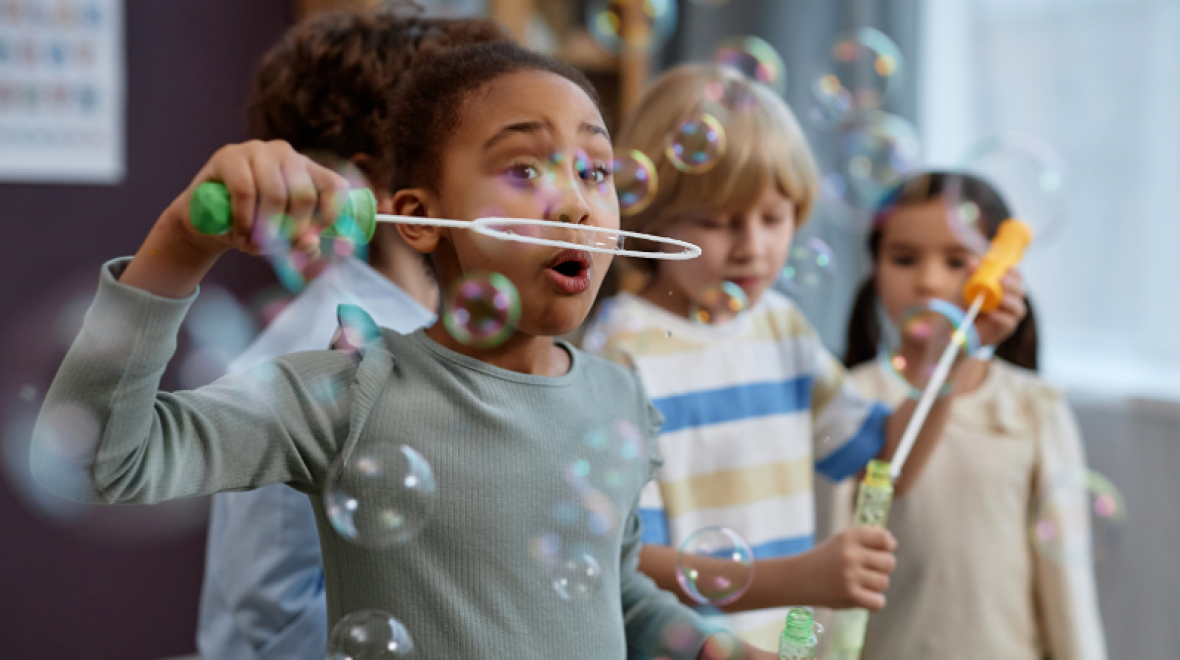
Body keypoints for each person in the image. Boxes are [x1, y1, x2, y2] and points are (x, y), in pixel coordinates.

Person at [30, 42, 778, 659]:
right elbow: (100, 463)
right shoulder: (353, 391)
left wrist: (711, 646)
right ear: (418, 219)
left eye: (595, 171)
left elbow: (612, 593)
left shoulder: (618, 400)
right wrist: (183, 243)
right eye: (525, 169)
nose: (577, 204)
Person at [580, 65, 1028, 651]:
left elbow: (888, 464)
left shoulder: (781, 328)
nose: (753, 246)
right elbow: (630, 564)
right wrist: (801, 578)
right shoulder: (620, 350)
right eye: (719, 221)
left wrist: (949, 361)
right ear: (650, 217)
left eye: (773, 218)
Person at [196, 10, 510, 659]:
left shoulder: (450, 335)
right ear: (382, 186)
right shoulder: (321, 348)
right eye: (495, 158)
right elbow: (273, 610)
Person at [826, 171, 1107, 660]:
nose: (930, 280)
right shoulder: (848, 400)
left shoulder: (1033, 408)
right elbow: (823, 564)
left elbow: (1067, 587)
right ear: (874, 267)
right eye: (904, 258)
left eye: (958, 261)